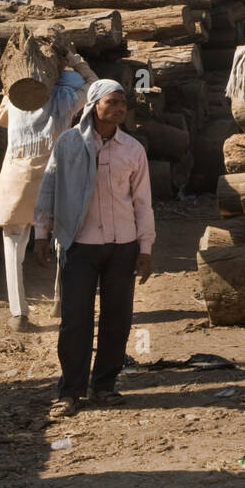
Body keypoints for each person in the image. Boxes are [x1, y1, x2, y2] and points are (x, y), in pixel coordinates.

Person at [34, 80, 154, 419]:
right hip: (80, 244)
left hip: (122, 245)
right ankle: (70, 391)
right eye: (111, 102)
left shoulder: (132, 150)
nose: (118, 108)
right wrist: (41, 235)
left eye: (122, 103)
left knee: (117, 319)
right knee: (75, 320)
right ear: (94, 105)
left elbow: (143, 203)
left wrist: (145, 247)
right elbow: (49, 189)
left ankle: (105, 386)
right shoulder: (69, 144)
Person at [0, 31, 95, 332]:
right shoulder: (67, 95)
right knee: (63, 239)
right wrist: (74, 59)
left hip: (17, 178)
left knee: (13, 244)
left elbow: (1, 118)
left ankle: (18, 313)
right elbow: (95, 86)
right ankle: (61, 300)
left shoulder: (14, 98)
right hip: (56, 176)